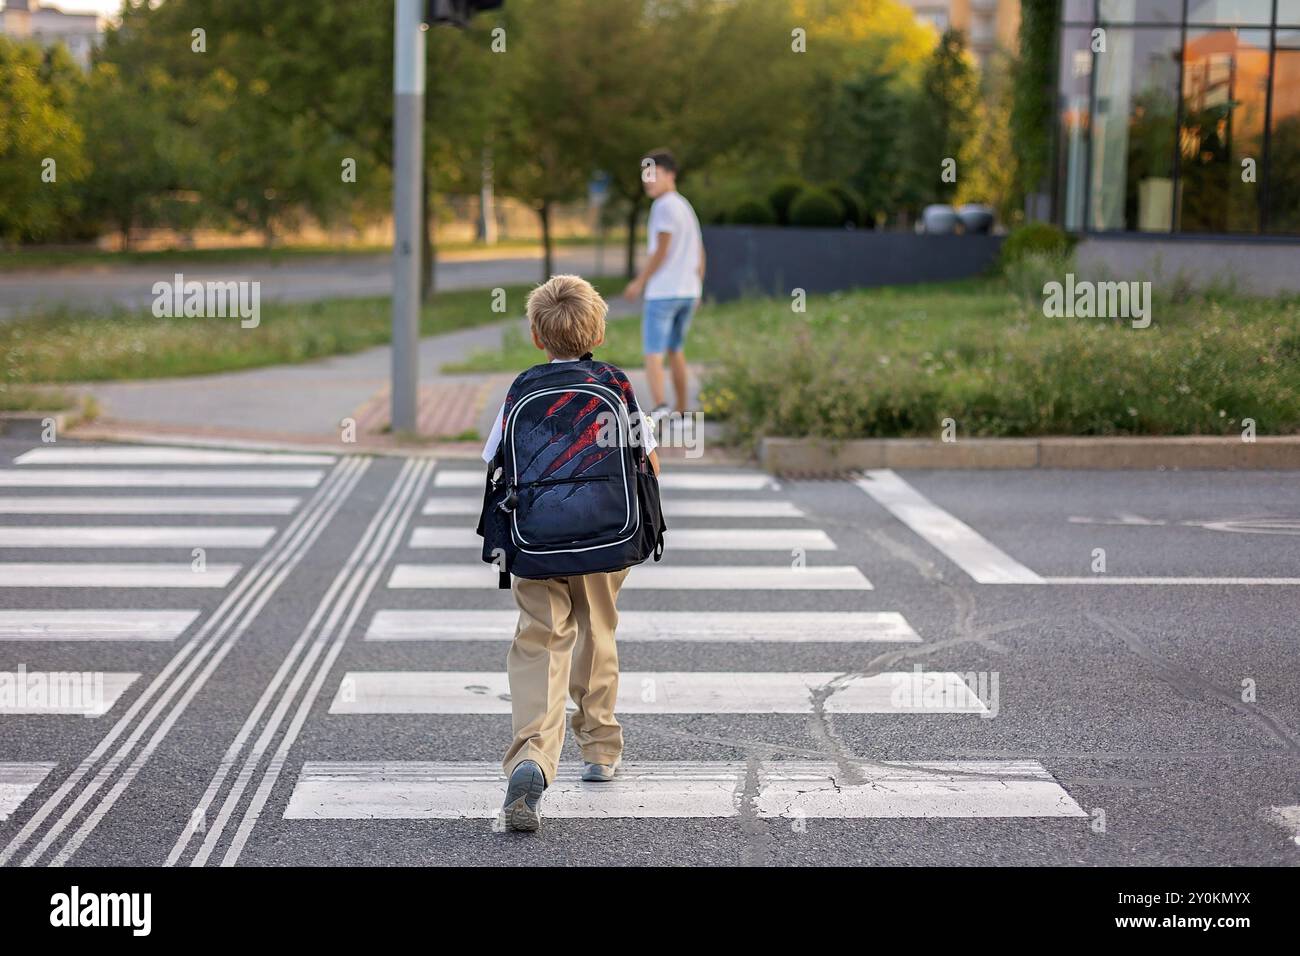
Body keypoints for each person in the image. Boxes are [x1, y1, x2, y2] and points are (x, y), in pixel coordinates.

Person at [480, 274, 661, 832]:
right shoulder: (616, 384)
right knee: (598, 631)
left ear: (537, 335)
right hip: (608, 537)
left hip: (537, 541)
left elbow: (495, 459)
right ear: (598, 330)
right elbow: (647, 459)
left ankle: (533, 756)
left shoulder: (522, 388)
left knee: (541, 639)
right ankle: (601, 750)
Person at [623, 148, 705, 419]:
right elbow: (700, 251)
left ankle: (659, 409)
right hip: (687, 291)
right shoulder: (685, 206)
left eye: (653, 174)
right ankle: (682, 409)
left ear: (670, 174)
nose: (648, 181)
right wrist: (698, 287)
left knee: (653, 353)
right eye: (645, 176)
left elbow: (662, 249)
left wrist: (640, 281)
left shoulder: (664, 206)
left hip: (664, 292)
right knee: (675, 350)